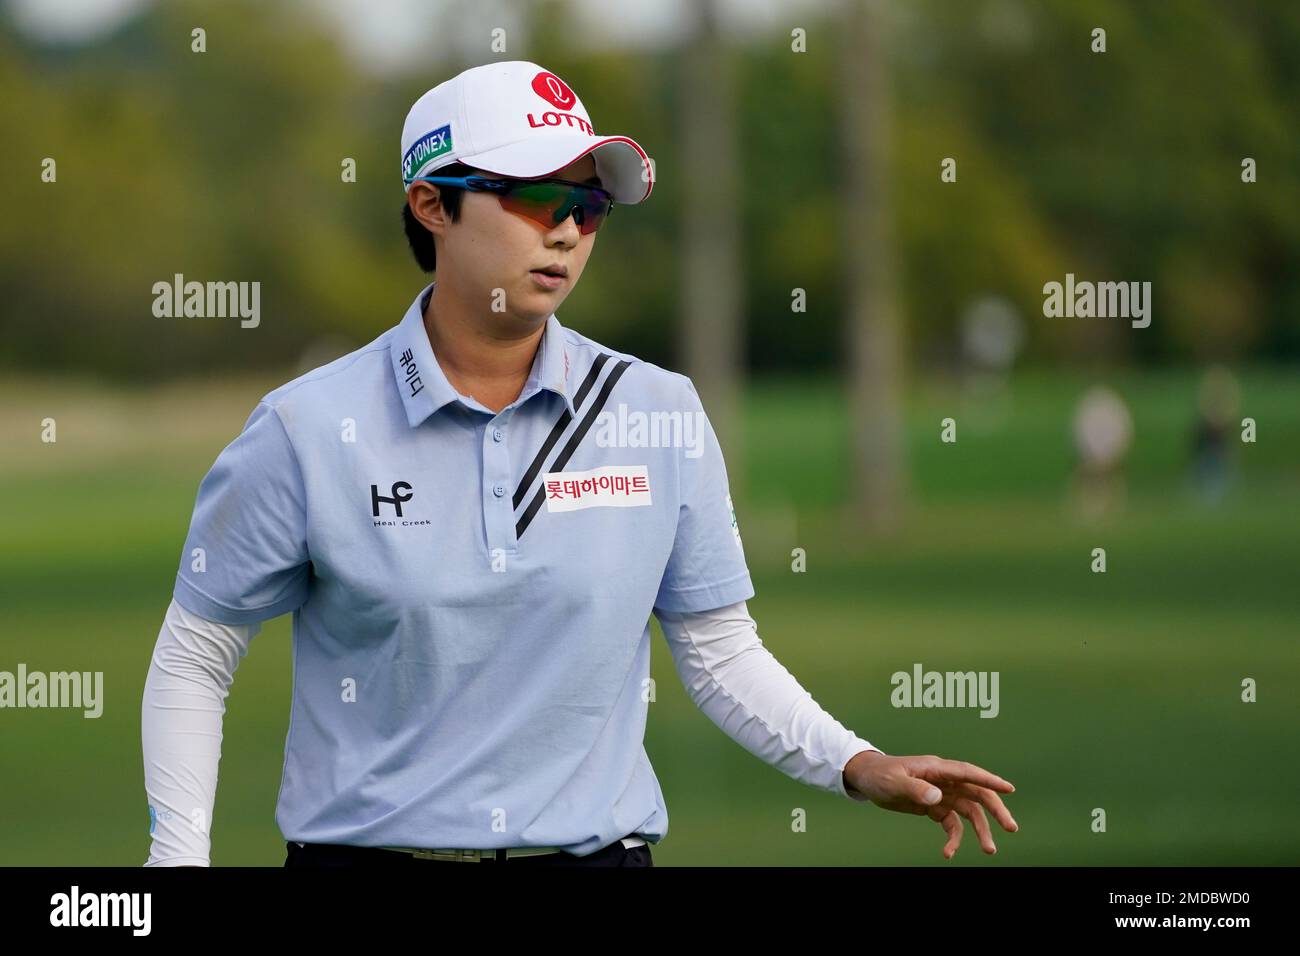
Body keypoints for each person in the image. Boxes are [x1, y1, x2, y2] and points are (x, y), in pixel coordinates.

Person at [142, 60, 1017, 868]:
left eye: (589, 206)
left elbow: (718, 651)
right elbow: (195, 657)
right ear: (430, 205)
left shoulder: (658, 411)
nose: (567, 229)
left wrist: (854, 764)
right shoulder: (305, 427)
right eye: (534, 197)